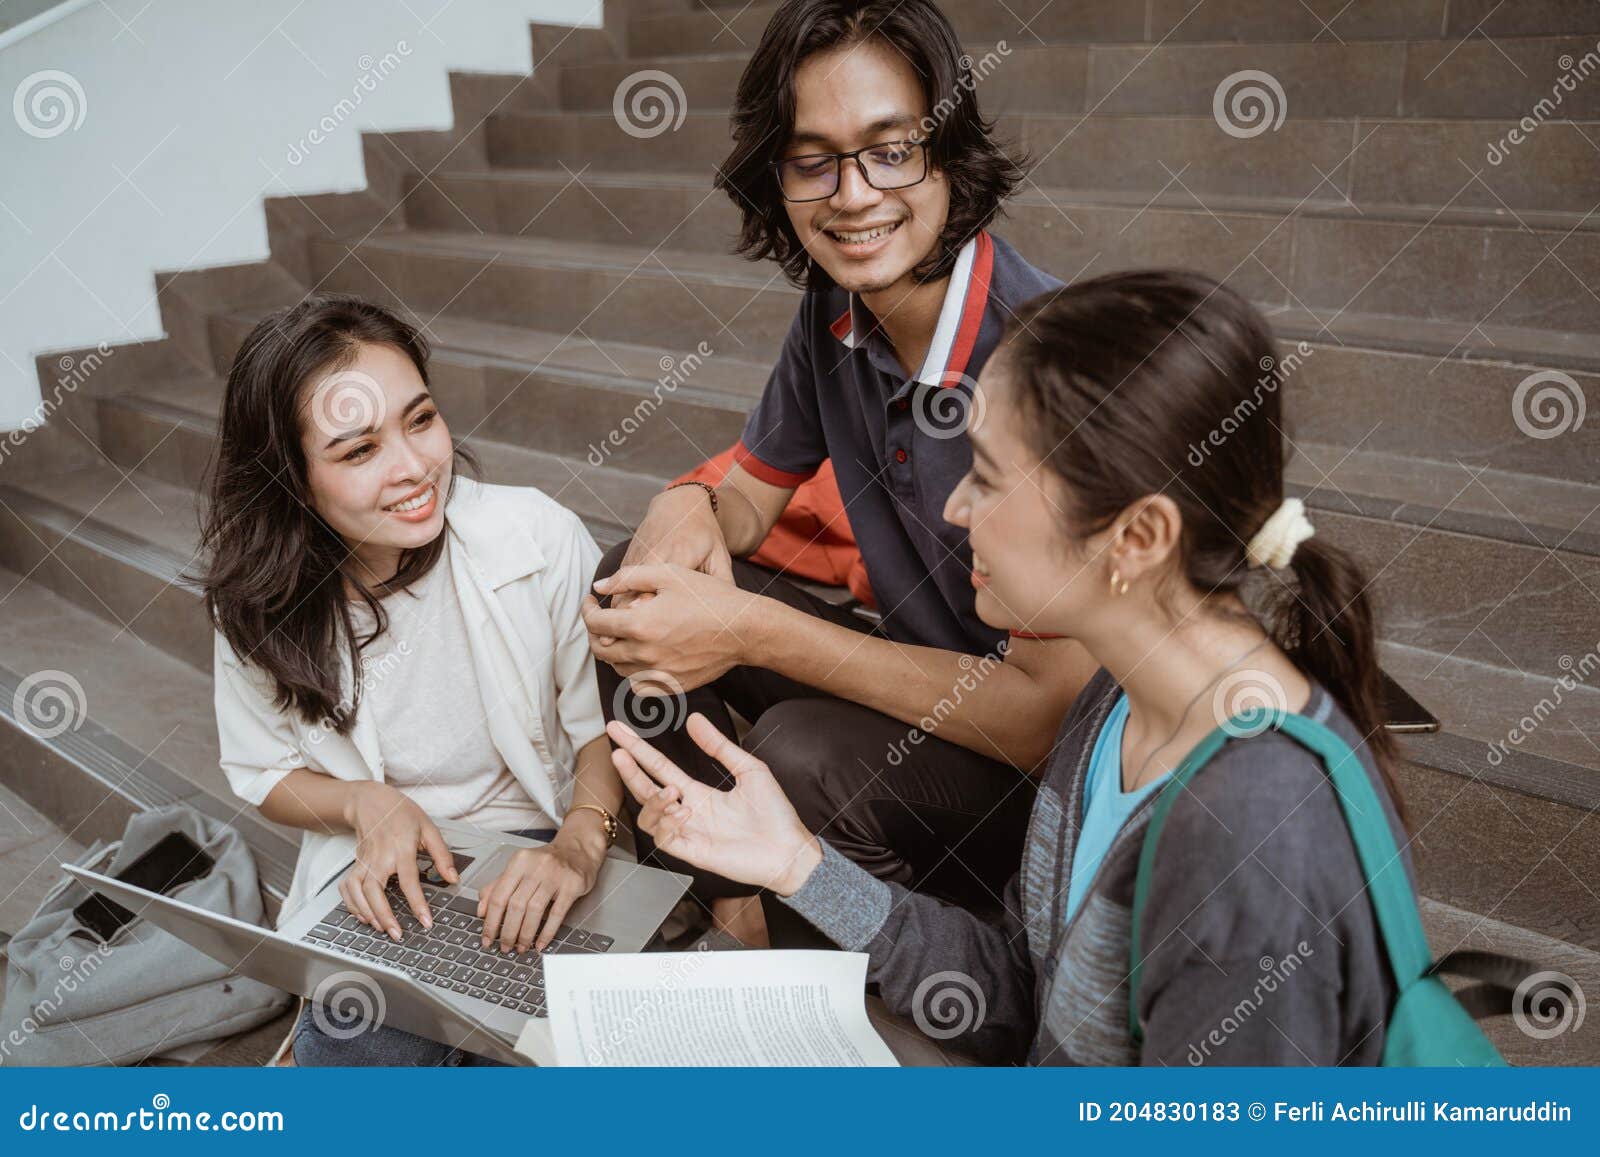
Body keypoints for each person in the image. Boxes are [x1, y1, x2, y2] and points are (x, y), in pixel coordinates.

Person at [604, 271, 1414, 1065]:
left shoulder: (1252, 839)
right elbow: (1027, 997)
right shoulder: (1112, 710)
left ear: (1135, 539)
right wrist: (798, 867)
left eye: (985, 477)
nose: (954, 509)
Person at [583, 0, 1095, 947]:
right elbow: (746, 500)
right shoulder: (836, 309)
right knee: (633, 577)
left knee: (802, 756)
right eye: (813, 160)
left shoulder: (1043, 356)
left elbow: (1039, 717)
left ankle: (832, 975)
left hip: (1037, 783)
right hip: (918, 701)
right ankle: (729, 904)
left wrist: (751, 629)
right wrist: (688, 501)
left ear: (950, 151)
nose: (853, 195)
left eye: (892, 149)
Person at [197, 295, 624, 1065]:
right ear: (290, 478)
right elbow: (261, 772)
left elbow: (602, 730)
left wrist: (578, 846)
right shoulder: (258, 602)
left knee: (545, 1053)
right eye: (359, 451)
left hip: (532, 842)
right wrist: (367, 804)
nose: (414, 467)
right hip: (387, 873)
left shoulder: (535, 535)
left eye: (420, 420)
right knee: (355, 1053)